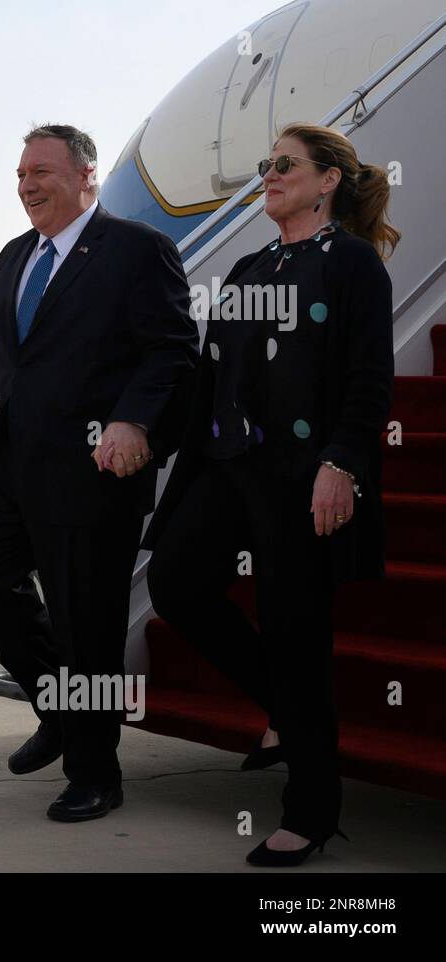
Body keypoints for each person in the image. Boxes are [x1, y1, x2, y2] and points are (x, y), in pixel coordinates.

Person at [145, 123, 397, 866]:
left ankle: (313, 812)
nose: (269, 174)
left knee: (297, 634)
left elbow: (367, 377)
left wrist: (343, 462)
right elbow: (212, 379)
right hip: (230, 464)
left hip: (302, 471)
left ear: (327, 182)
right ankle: (285, 712)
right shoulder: (251, 266)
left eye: (285, 165)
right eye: (267, 165)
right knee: (176, 583)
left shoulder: (352, 266)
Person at [0, 124, 197, 821]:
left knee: (88, 626)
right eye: (20, 173)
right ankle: (59, 706)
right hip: (12, 465)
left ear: (86, 175)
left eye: (41, 170)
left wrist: (134, 420)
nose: (26, 184)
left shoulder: (138, 250)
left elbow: (171, 350)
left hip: (93, 472)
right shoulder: (15, 256)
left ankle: (94, 771)